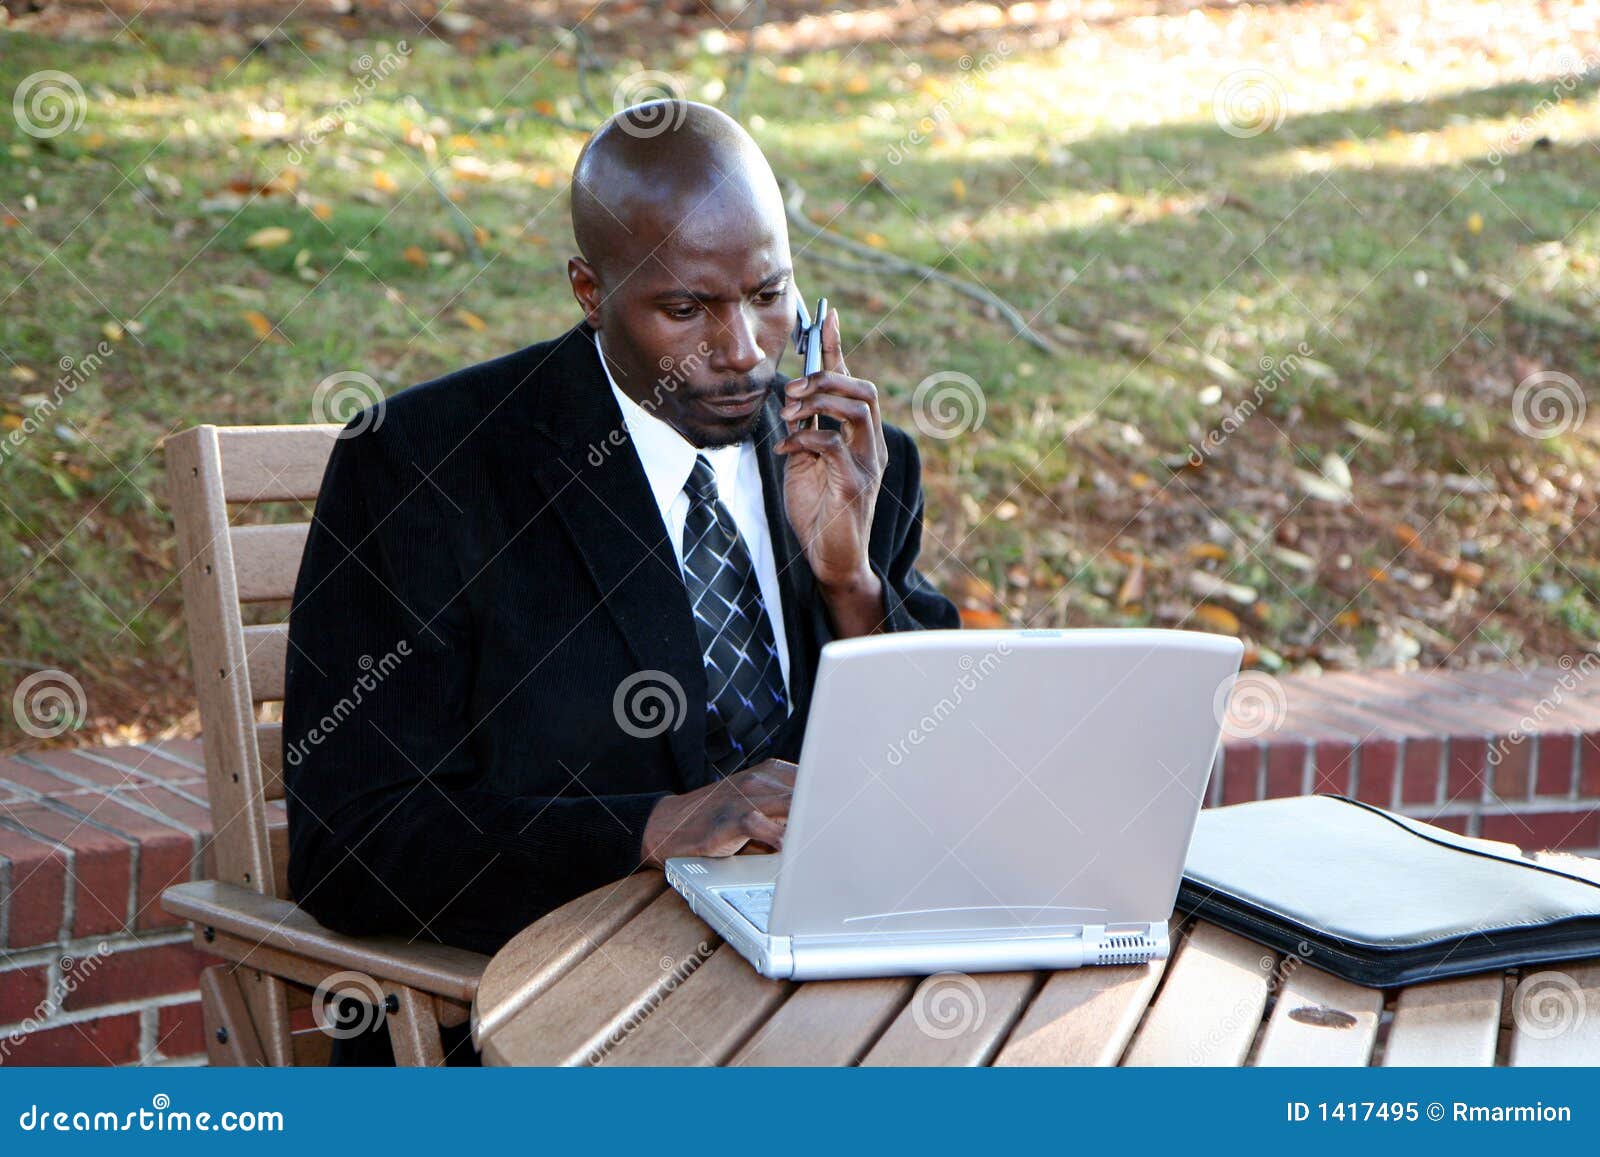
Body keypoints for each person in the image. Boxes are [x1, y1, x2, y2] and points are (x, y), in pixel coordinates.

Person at [282, 99, 960, 1064]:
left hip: (854, 996)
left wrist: (852, 585)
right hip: (560, 1016)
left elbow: (951, 778)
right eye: (686, 310)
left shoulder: (850, 458)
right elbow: (352, 838)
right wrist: (650, 827)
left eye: (769, 294)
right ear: (589, 291)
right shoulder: (428, 470)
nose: (744, 351)